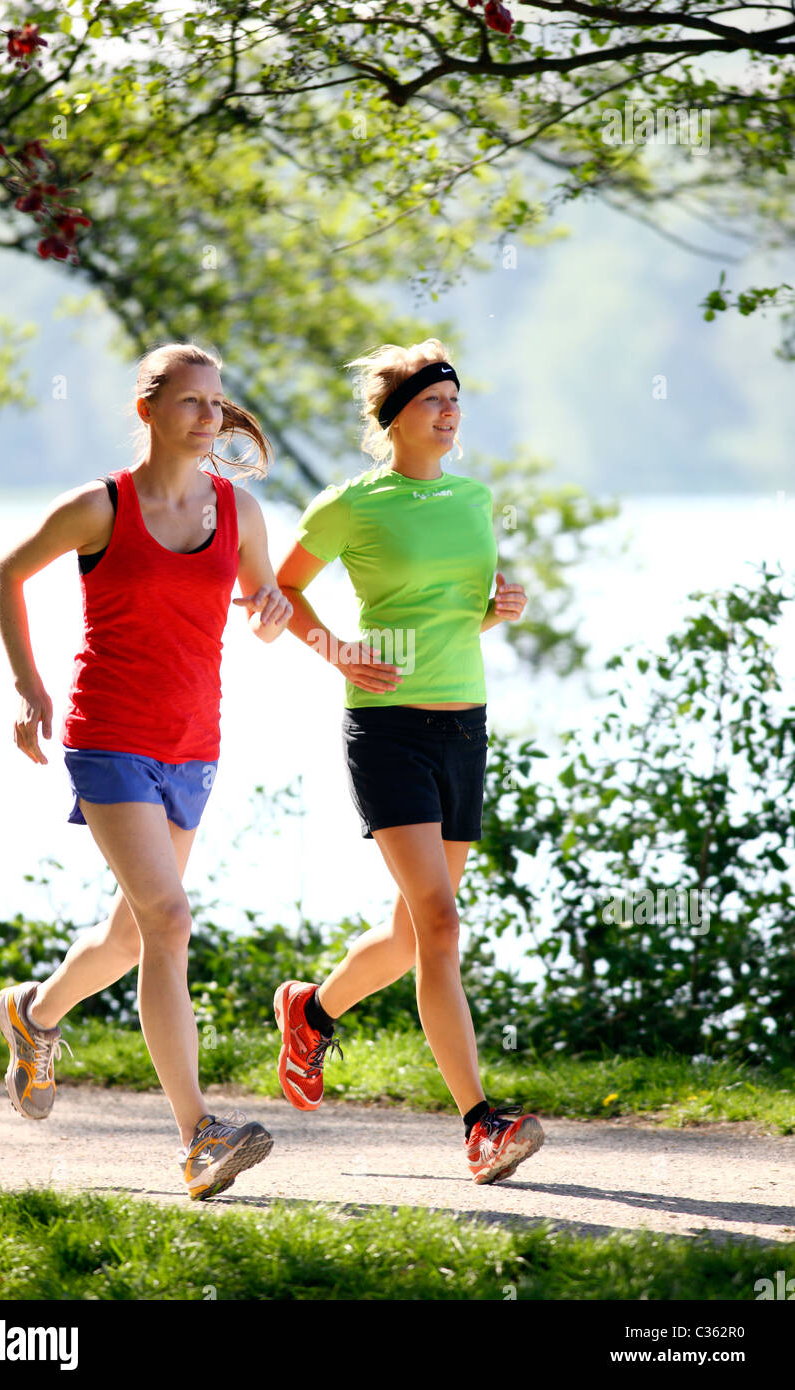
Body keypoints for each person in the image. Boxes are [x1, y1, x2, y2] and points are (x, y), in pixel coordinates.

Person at [0, 341, 292, 1200]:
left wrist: (271, 610)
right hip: (109, 736)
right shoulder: (100, 507)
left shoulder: (240, 512)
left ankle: (33, 1014)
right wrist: (28, 687)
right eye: (191, 401)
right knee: (168, 918)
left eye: (216, 402)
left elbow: (264, 614)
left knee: (131, 937)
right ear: (148, 409)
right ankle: (200, 1134)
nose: (209, 416)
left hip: (194, 744)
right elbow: (4, 572)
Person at [272, 338, 544, 1184]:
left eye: (456, 400)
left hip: (466, 724)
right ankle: (480, 1124)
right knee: (440, 923)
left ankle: (311, 1013)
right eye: (433, 401)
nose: (450, 412)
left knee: (412, 926)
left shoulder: (473, 497)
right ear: (395, 418)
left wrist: (505, 605)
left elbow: (461, 613)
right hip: (386, 726)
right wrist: (339, 652)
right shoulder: (354, 504)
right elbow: (277, 590)